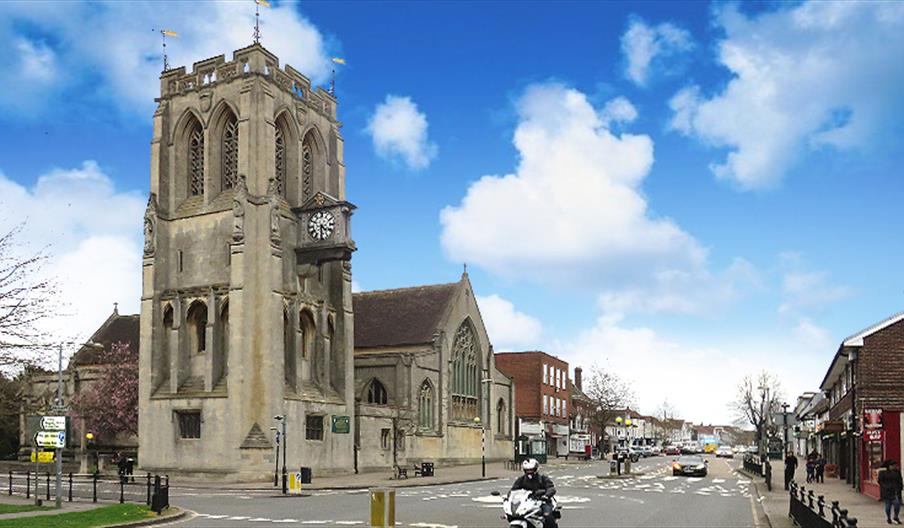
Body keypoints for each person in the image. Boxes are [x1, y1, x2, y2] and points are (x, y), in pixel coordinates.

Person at [511, 459, 556, 528]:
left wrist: (546, 495)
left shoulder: (542, 478)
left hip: (543, 501)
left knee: (547, 516)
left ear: (536, 469)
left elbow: (551, 488)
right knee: (516, 514)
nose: (529, 472)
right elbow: (514, 490)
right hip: (527, 502)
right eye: (527, 470)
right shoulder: (521, 480)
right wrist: (509, 498)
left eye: (531, 470)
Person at [878, 460, 903, 525]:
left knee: (897, 504)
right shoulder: (882, 472)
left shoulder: (897, 472)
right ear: (889, 466)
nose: (895, 466)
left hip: (895, 491)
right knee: (888, 505)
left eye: (895, 465)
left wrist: (900, 487)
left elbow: (900, 480)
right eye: (893, 465)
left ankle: (895, 516)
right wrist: (885, 487)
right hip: (887, 491)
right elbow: (880, 481)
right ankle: (888, 517)